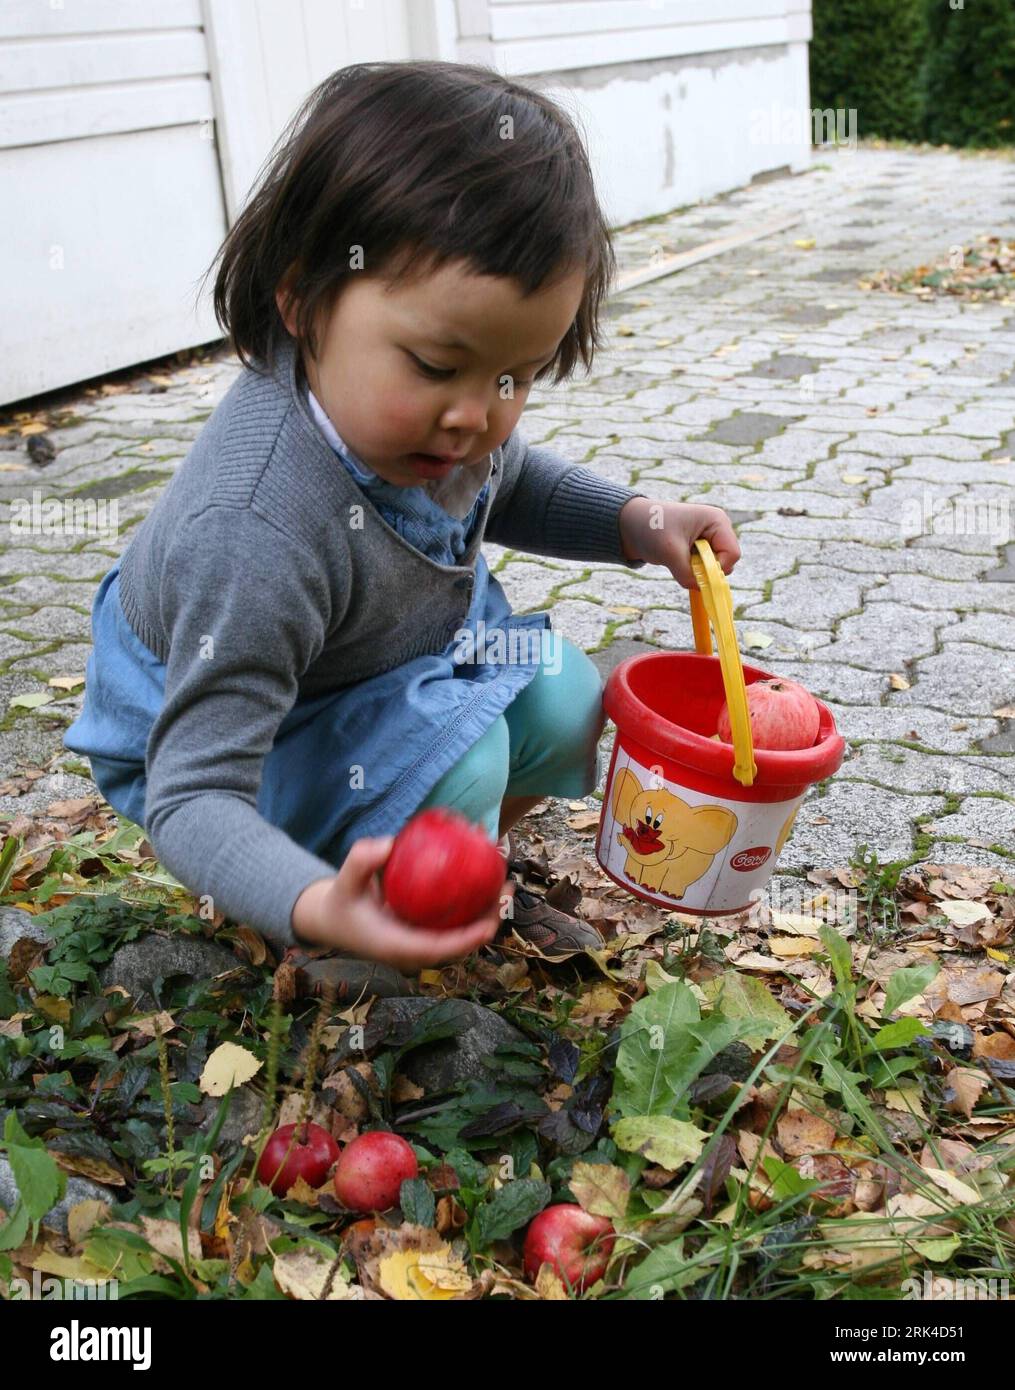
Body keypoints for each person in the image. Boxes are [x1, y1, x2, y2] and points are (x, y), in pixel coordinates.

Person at [64, 61, 740, 993]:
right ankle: (346, 931)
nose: (476, 416)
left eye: (516, 375)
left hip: (370, 671)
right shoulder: (255, 530)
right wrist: (308, 900)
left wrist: (634, 521)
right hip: (236, 742)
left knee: (565, 696)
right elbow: (193, 793)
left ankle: (446, 882)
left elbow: (506, 478)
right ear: (301, 298)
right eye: (434, 365)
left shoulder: (431, 423)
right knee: (464, 757)